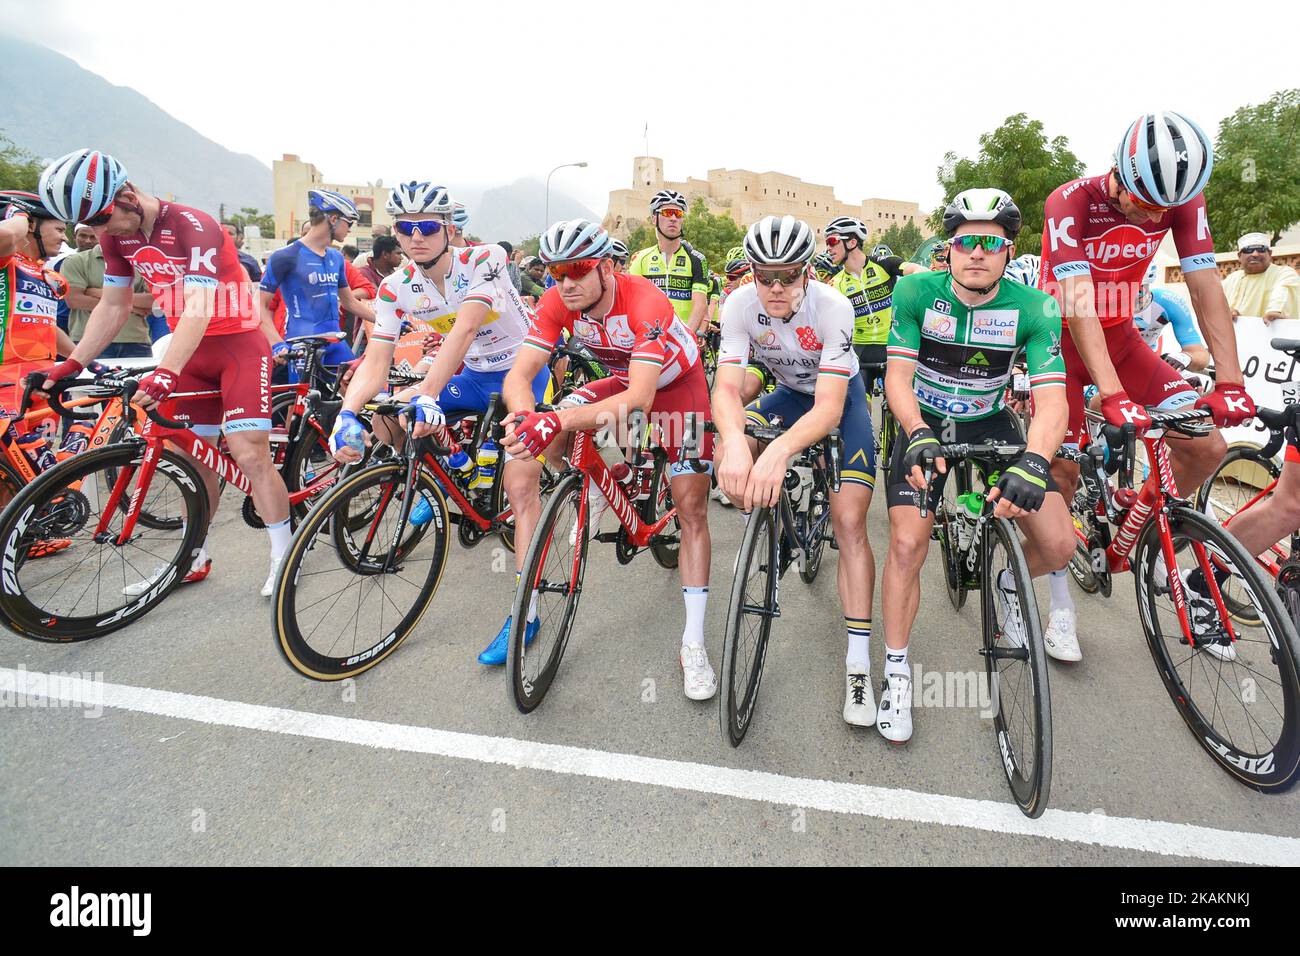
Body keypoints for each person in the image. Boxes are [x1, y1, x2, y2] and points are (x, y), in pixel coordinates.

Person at [1039, 111, 1255, 660]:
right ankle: (1053, 601)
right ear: (1118, 172)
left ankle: (1143, 520)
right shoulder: (1072, 201)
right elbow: (1077, 303)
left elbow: (1206, 285)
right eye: (1146, 202)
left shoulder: (1184, 202)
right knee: (1059, 474)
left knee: (1207, 446)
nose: (1159, 214)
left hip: (1122, 339)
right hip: (1058, 340)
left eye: (1168, 206)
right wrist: (1112, 395)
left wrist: (1229, 381)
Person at [36, 147, 291, 597]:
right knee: (195, 460)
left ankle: (283, 555)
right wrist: (72, 362)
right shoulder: (116, 238)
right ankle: (195, 555)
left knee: (250, 454)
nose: (96, 233)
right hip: (189, 353)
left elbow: (199, 305)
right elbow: (113, 306)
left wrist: (166, 372)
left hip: (237, 346)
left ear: (129, 197)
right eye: (87, 226)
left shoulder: (194, 225)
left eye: (100, 219)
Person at [330, 183, 552, 667]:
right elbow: (375, 360)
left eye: (427, 227)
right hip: (470, 375)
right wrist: (348, 413)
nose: (416, 237)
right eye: (405, 229)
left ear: (448, 228)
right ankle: (441, 475)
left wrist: (428, 391)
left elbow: (469, 325)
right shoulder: (394, 287)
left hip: (524, 373)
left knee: (519, 487)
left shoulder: (485, 259)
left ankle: (526, 610)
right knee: (390, 415)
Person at [881, 188, 1073, 740]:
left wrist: (1036, 461)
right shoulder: (917, 291)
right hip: (926, 423)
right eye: (966, 240)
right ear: (950, 246)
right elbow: (897, 378)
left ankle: (1009, 583)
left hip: (991, 423)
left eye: (991, 242)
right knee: (907, 545)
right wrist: (915, 433)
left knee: (1059, 543)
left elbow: (1052, 399)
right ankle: (896, 675)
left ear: (1009, 250)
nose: (977, 252)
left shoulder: (1035, 307)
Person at [500, 218, 717, 699]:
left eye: (578, 269)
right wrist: (525, 418)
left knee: (691, 507)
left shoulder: (645, 301)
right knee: (555, 425)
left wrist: (552, 421)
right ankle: (600, 482)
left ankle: (694, 644)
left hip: (676, 388)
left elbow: (640, 401)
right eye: (556, 272)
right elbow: (520, 377)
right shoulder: (557, 301)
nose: (566, 282)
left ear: (606, 267)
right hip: (623, 380)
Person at [713, 215, 881, 726]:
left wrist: (779, 451)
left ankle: (858, 667)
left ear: (808, 272)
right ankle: (773, 527)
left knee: (850, 523)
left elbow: (828, 408)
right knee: (731, 455)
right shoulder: (739, 304)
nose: (777, 288)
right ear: (753, 276)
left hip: (840, 398)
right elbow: (724, 390)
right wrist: (736, 443)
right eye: (766, 277)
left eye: (789, 276)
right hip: (788, 391)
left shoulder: (833, 307)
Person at [260, 190, 375, 380]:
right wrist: (277, 344)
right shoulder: (285, 256)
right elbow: (260, 306)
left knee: (361, 394)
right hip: (302, 344)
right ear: (333, 219)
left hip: (335, 341)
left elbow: (349, 302)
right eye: (349, 222)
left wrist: (383, 321)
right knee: (298, 406)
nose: (350, 229)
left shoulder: (336, 257)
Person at [824, 216, 924, 398]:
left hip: (893, 345)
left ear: (852, 242)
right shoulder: (835, 283)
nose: (828, 248)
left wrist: (910, 290)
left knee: (899, 400)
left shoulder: (883, 264)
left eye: (832, 241)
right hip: (861, 351)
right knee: (860, 403)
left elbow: (919, 271)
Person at [0, 191, 78, 408]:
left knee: (43, 443)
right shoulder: (7, 261)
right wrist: (19, 213)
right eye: (60, 230)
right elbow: (6, 237)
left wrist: (81, 359)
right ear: (32, 227)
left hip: (44, 378)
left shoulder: (47, 274)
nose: (65, 238)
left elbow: (46, 327)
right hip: (7, 378)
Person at [628, 189, 710, 337]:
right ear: (654, 219)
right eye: (667, 212)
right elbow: (632, 304)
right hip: (649, 338)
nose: (673, 218)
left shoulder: (697, 259)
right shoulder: (640, 259)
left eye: (678, 214)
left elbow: (700, 305)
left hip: (684, 338)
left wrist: (686, 339)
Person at [60, 236, 155, 359]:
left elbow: (154, 302)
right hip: (89, 341)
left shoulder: (143, 262)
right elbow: (75, 300)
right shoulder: (76, 261)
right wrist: (132, 307)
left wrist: (98, 293)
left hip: (136, 340)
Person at [1222, 232, 1300, 323]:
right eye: (1248, 250)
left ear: (1270, 253)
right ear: (1239, 256)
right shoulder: (1232, 278)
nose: (1255, 254)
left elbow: (1282, 296)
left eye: (1261, 249)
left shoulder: (1284, 273)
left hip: (1270, 334)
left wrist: (1275, 310)